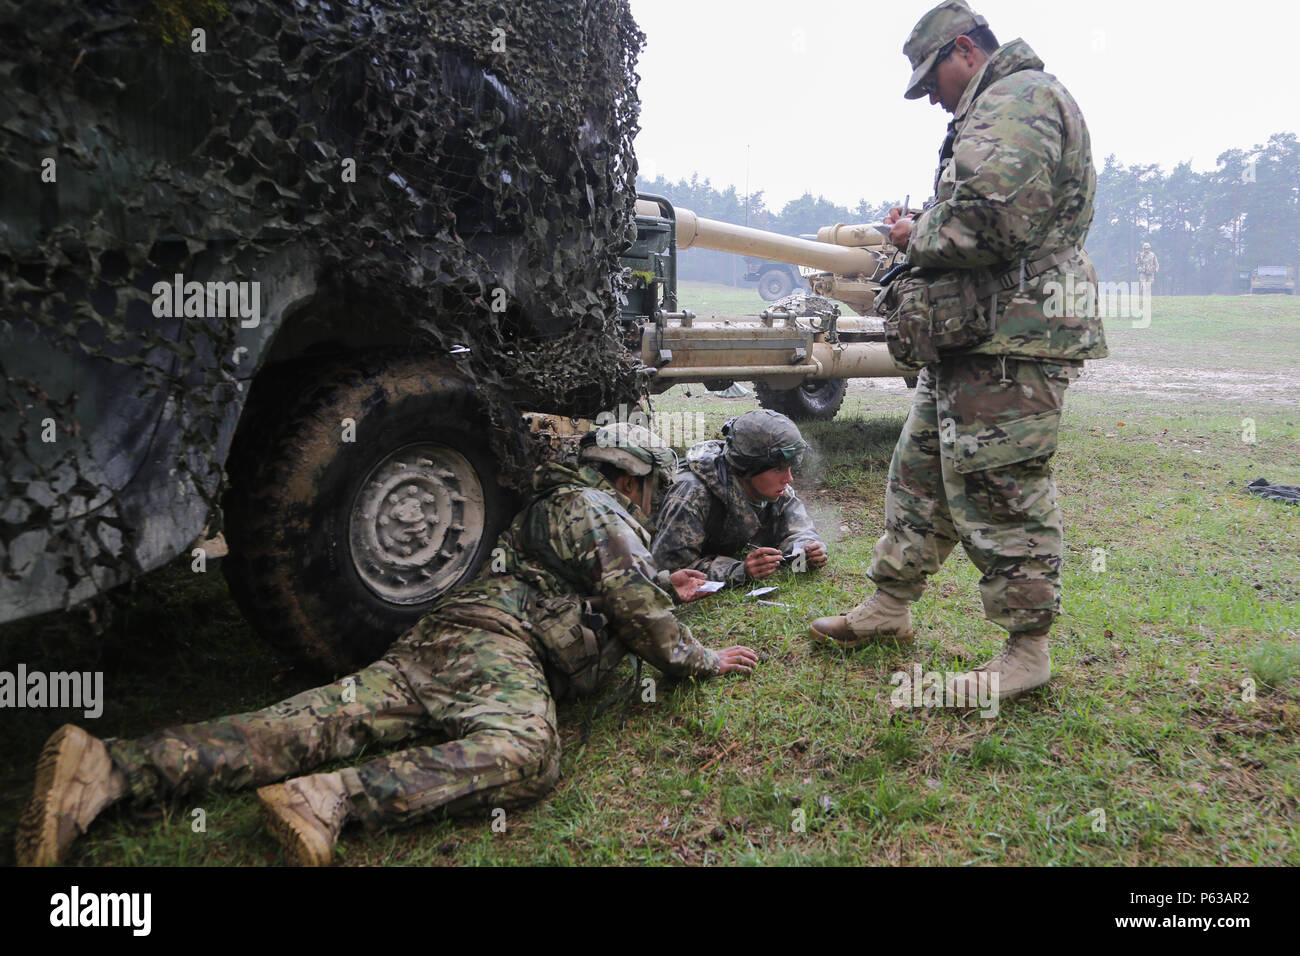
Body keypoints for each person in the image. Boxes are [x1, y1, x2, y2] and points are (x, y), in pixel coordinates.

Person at [17, 423, 758, 867]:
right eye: (652, 491)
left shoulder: (562, 505)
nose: (652, 502)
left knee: (318, 719)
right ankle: (331, 797)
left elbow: (619, 591)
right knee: (525, 753)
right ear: (634, 479)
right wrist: (699, 658)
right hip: (497, 642)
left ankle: (110, 768)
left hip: (449, 637)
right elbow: (637, 606)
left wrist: (664, 587)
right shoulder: (601, 507)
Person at [809, 0, 1107, 704]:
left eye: (931, 79)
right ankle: (889, 605)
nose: (931, 97)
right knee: (920, 468)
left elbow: (989, 221)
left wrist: (917, 232)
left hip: (1017, 334)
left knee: (1003, 484)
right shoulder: (1004, 102)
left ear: (964, 51)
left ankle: (1028, 647)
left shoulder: (1017, 99)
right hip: (978, 331)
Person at [653, 409, 826, 587]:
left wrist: (806, 551)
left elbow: (798, 531)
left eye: (789, 468)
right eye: (778, 469)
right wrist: (738, 571)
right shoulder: (692, 494)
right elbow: (670, 570)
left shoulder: (774, 490)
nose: (789, 479)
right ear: (747, 468)